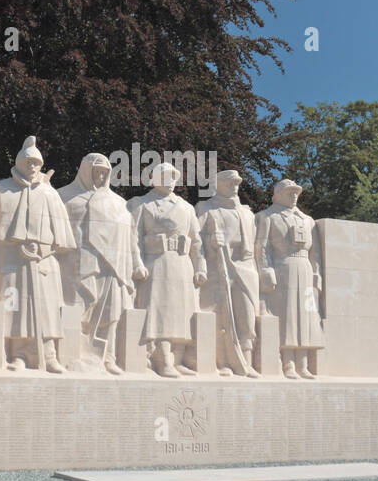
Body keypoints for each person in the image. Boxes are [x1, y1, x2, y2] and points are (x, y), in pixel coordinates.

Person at [0, 136, 76, 371]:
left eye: (36, 162)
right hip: (12, 260)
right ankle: (18, 354)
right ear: (19, 162)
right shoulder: (1, 189)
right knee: (15, 308)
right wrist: (15, 248)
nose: (32, 166)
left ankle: (49, 355)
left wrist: (43, 250)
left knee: (48, 308)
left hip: (44, 261)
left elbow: (63, 238)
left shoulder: (50, 194)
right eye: (28, 161)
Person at [58, 153, 146, 373]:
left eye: (104, 173)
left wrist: (136, 263)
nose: (99, 176)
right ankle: (73, 356)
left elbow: (131, 238)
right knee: (78, 308)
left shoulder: (119, 203)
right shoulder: (64, 197)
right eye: (95, 171)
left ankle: (109, 358)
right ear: (85, 171)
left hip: (114, 268)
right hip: (80, 265)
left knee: (111, 314)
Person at [130, 162, 206, 377]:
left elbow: (196, 241)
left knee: (182, 312)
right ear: (155, 179)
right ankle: (162, 359)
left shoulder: (186, 207)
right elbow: (133, 238)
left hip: (182, 264)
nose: (171, 181)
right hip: (157, 262)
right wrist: (137, 263)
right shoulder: (142, 204)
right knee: (161, 312)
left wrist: (200, 267)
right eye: (165, 177)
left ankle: (177, 358)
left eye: (173, 177)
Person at [255, 178, 324, 378]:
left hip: (305, 270)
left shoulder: (308, 221)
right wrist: (266, 270)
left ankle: (303, 364)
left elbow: (315, 253)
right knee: (288, 317)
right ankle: (288, 364)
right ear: (278, 195)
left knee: (307, 317)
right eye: (289, 192)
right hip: (283, 269)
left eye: (296, 192)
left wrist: (317, 274)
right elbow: (262, 247)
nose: (294, 196)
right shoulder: (267, 217)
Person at [197, 169, 260, 377]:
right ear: (218, 185)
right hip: (219, 266)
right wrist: (211, 243)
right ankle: (222, 361)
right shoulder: (206, 208)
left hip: (247, 267)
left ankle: (247, 362)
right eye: (230, 183)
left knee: (247, 317)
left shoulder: (248, 213)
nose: (234, 187)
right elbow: (195, 240)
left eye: (237, 183)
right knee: (221, 317)